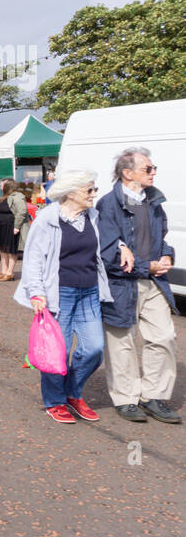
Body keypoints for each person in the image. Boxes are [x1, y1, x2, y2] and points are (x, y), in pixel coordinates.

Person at [14, 170, 113, 424]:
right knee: (57, 352)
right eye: (88, 190)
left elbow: (102, 247)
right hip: (60, 294)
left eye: (94, 189)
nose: (94, 195)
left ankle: (72, 392)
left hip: (90, 291)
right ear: (70, 192)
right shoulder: (48, 218)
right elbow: (34, 257)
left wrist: (122, 247)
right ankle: (55, 401)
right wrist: (36, 292)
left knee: (94, 349)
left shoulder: (93, 216)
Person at [97, 148, 181, 424]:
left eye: (153, 167)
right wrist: (148, 266)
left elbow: (162, 238)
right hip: (122, 285)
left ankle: (152, 396)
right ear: (127, 173)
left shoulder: (154, 203)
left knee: (164, 337)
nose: (154, 172)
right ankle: (126, 398)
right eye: (148, 168)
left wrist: (167, 254)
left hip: (154, 281)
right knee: (122, 343)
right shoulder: (108, 204)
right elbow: (109, 254)